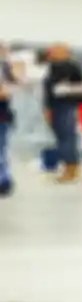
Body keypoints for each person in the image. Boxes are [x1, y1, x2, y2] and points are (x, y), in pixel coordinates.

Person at [42, 43, 82, 183]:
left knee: (67, 138)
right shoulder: (53, 67)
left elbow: (78, 89)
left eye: (56, 50)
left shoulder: (68, 67)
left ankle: (71, 168)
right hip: (57, 106)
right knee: (63, 137)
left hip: (65, 106)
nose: (51, 52)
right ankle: (69, 167)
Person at [0, 43, 17, 196]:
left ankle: (4, 181)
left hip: (3, 115)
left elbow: (14, 84)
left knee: (2, 149)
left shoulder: (5, 67)